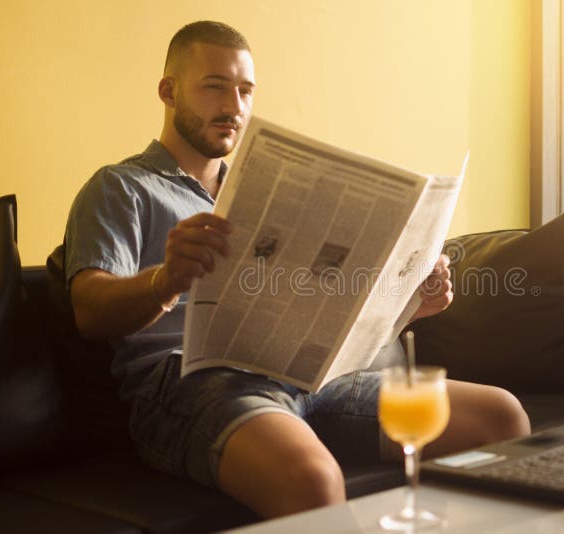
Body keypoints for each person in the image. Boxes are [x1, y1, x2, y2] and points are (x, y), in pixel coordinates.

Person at [64, 20, 530, 519]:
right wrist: (165, 280)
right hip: (190, 384)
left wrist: (410, 302)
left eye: (245, 91)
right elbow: (89, 311)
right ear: (168, 91)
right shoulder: (121, 188)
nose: (234, 107)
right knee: (314, 480)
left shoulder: (262, 193)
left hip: (310, 378)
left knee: (502, 417)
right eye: (214, 87)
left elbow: (321, 312)